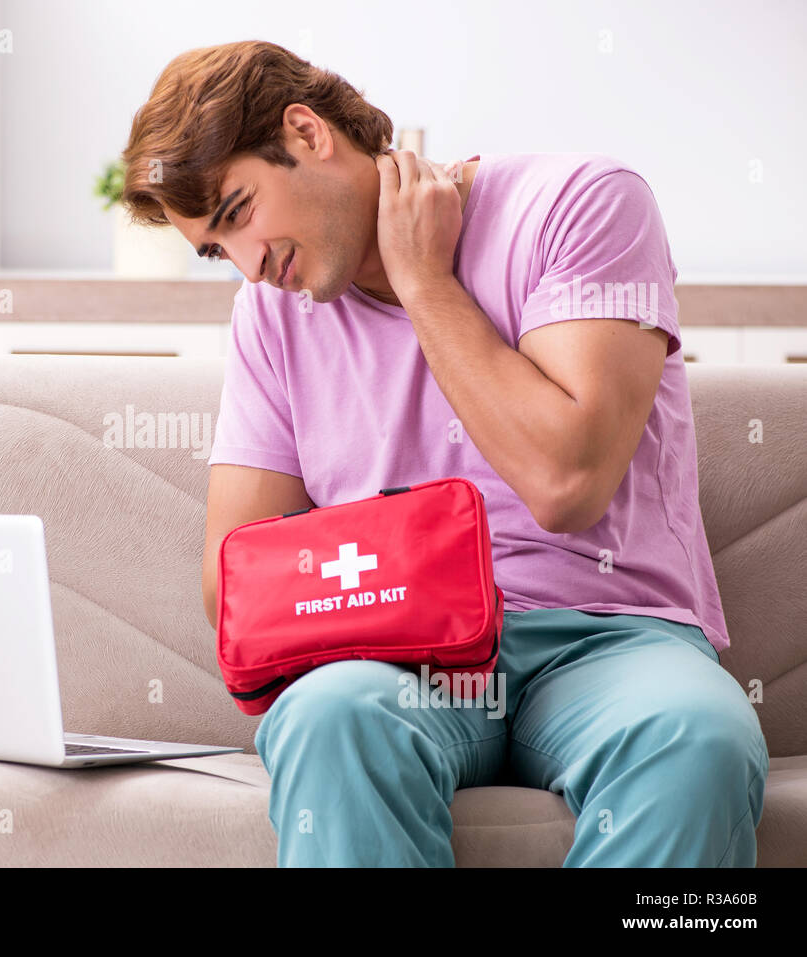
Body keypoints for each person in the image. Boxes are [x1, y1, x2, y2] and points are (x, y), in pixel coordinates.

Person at [119, 40, 769, 867]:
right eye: (216, 249)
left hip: (608, 640)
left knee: (700, 739)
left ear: (307, 132)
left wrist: (423, 281)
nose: (250, 269)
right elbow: (234, 587)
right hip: (397, 659)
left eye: (239, 212)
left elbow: (566, 482)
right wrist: (399, 590)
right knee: (330, 717)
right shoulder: (273, 319)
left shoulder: (581, 205)